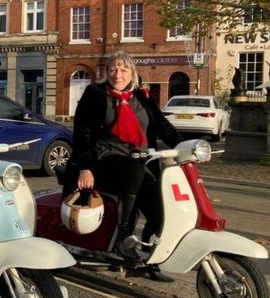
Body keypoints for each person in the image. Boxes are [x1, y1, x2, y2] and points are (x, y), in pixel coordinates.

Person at [65, 51, 182, 282]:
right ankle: (124, 236)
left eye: (123, 70)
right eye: (113, 70)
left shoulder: (142, 96)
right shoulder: (95, 94)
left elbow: (162, 126)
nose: (118, 74)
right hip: (103, 161)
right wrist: (85, 167)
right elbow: (82, 133)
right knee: (135, 169)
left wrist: (186, 147)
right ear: (107, 73)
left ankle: (151, 259)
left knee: (160, 210)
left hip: (138, 162)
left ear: (132, 73)